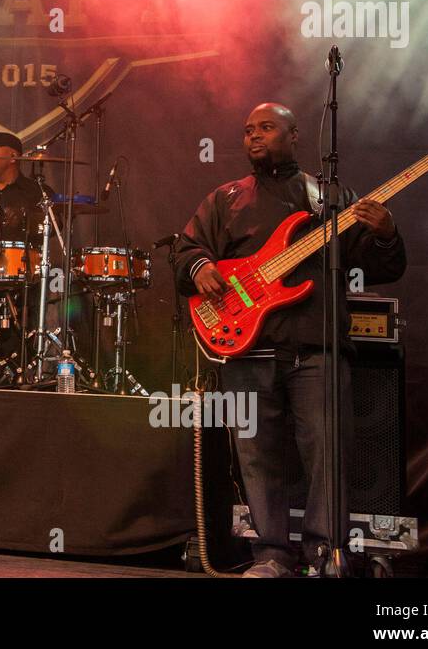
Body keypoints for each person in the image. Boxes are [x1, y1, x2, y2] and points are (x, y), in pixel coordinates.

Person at [174, 103, 406, 577]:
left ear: (295, 134)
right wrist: (201, 268)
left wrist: (386, 235)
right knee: (255, 456)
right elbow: (186, 249)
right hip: (245, 348)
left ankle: (324, 556)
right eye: (247, 130)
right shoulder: (225, 198)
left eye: (266, 127)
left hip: (316, 348)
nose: (253, 136)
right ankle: (272, 556)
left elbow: (382, 266)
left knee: (327, 456)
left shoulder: (331, 198)